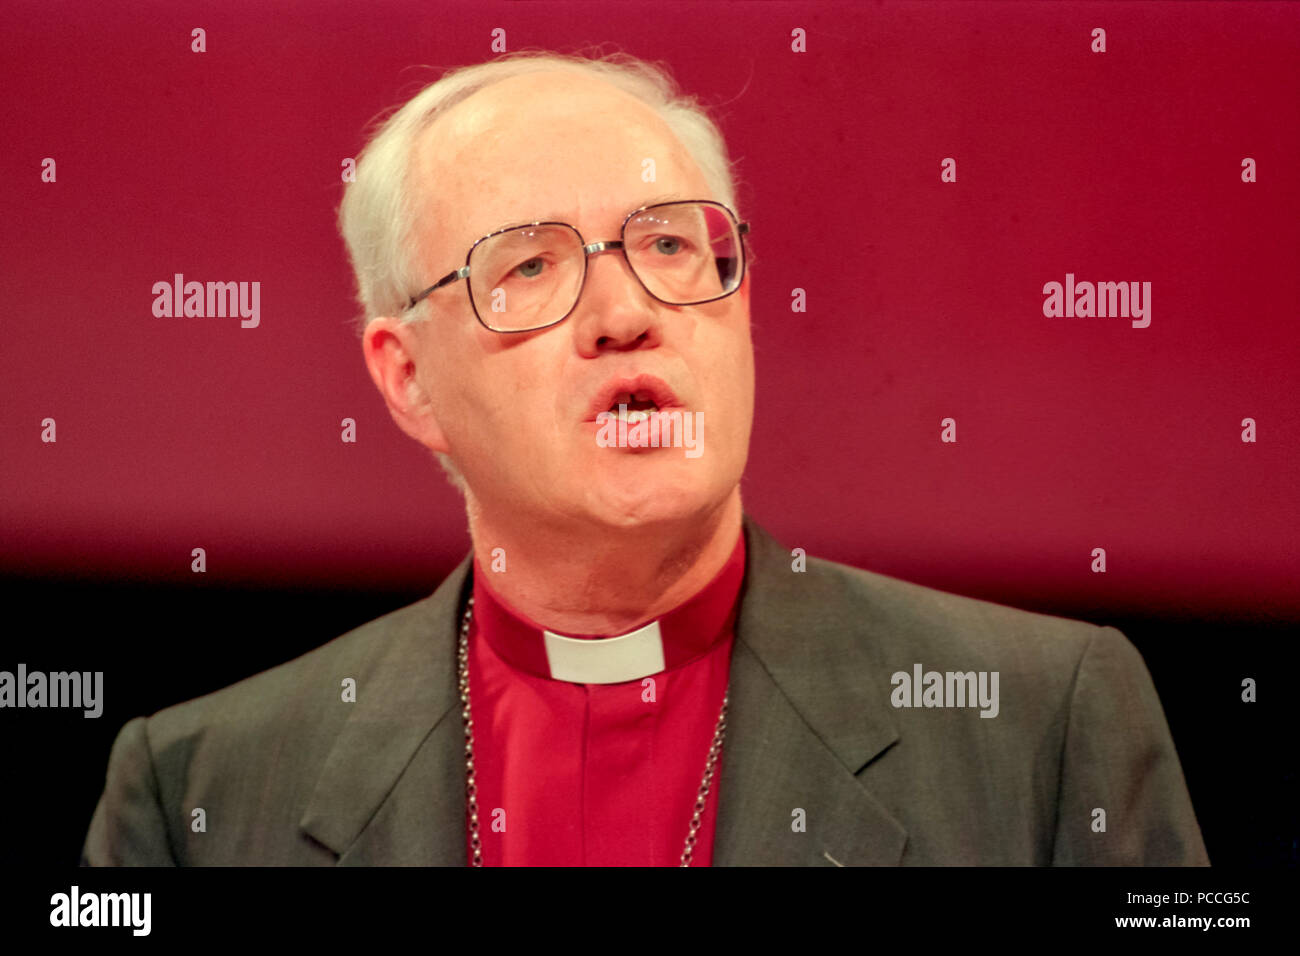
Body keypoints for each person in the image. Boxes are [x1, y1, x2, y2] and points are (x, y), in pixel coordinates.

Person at [82, 50, 1208, 866]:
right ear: (408, 378)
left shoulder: (1044, 727)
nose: (625, 312)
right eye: (526, 267)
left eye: (670, 242)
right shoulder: (198, 792)